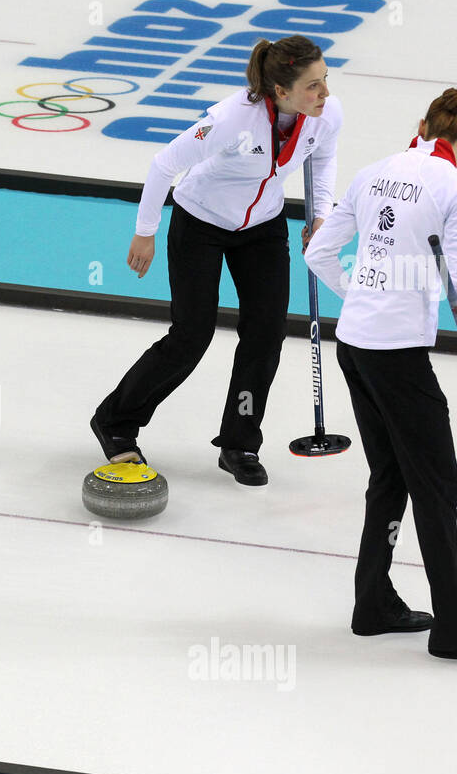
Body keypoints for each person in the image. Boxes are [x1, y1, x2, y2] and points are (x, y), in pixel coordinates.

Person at [304, 88, 457, 662]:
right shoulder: (455, 187)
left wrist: (361, 297)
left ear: (420, 125)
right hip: (396, 356)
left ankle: (372, 602)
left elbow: (319, 253)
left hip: (356, 344)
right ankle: (451, 624)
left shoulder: (372, 173)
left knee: (391, 475)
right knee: (438, 484)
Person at [91, 35, 342, 486]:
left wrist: (319, 215)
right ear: (281, 92)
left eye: (325, 80)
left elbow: (322, 163)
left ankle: (240, 443)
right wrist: (145, 233)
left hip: (263, 228)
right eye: (313, 86)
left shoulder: (326, 115)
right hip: (201, 223)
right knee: (192, 335)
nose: (325, 93)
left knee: (266, 333)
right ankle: (116, 420)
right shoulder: (231, 120)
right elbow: (163, 164)